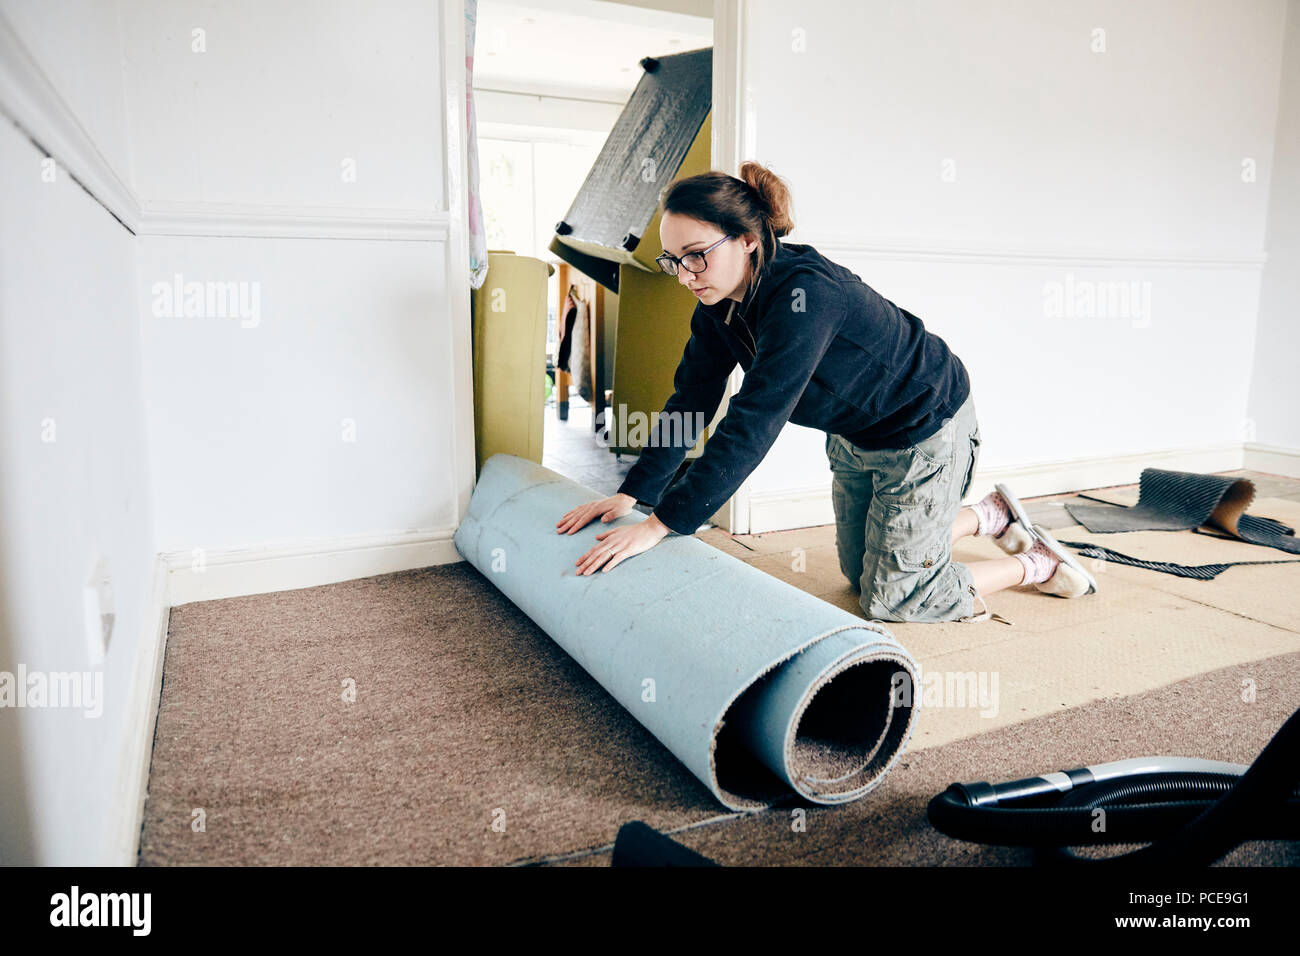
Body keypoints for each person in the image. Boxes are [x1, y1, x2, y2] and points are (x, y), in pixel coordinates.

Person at [555, 162, 1097, 622]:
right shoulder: (717, 303)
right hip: (856, 434)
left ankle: (1037, 564)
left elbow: (754, 420)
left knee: (897, 600)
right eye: (673, 259)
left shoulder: (806, 295)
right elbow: (692, 398)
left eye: (696, 254)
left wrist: (663, 524)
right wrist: (637, 492)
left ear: (747, 239)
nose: (684, 276)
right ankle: (989, 516)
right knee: (858, 573)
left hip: (924, 428)